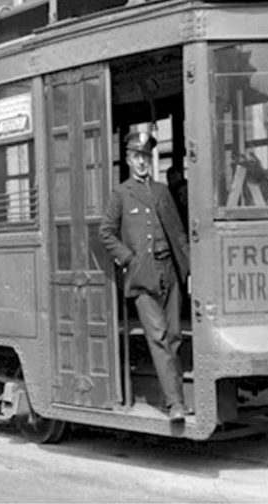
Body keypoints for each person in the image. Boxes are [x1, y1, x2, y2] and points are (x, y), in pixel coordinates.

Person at [99, 131, 190, 422]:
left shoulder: (162, 191)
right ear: (128, 159)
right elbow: (106, 233)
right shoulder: (121, 194)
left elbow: (178, 234)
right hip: (143, 276)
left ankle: (170, 397)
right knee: (159, 337)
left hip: (170, 272)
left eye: (146, 157)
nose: (142, 163)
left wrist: (188, 271)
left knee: (174, 336)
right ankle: (176, 404)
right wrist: (129, 260)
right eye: (137, 157)